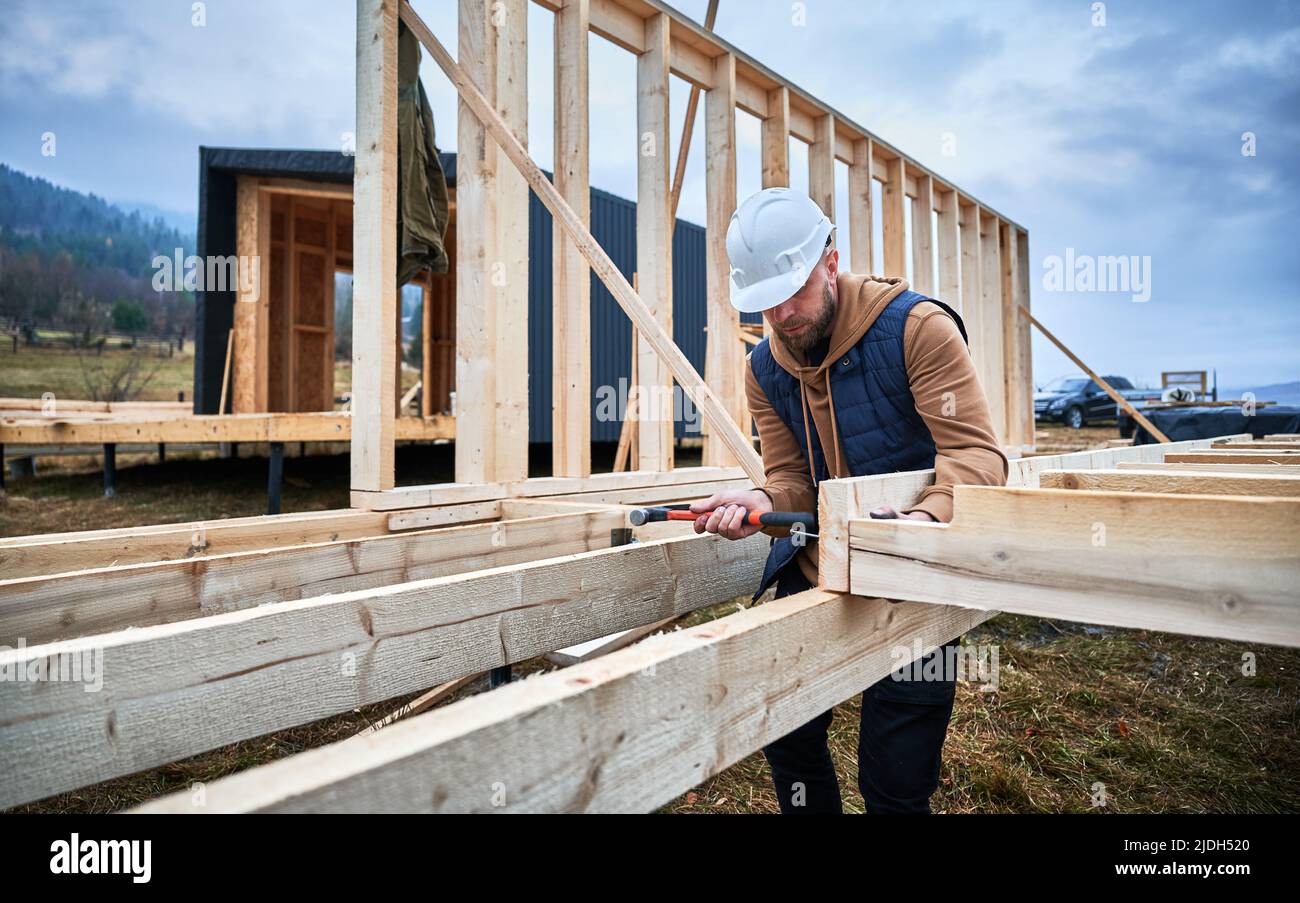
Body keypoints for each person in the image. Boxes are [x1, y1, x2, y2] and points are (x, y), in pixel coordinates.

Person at [692, 187, 1008, 814]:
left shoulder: (916, 330)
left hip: (912, 578)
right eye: (764, 303)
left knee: (895, 780)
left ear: (830, 262)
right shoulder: (765, 369)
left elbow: (977, 459)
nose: (781, 315)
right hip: (818, 569)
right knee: (788, 739)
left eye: (794, 291)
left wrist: (917, 522)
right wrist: (756, 503)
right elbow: (792, 484)